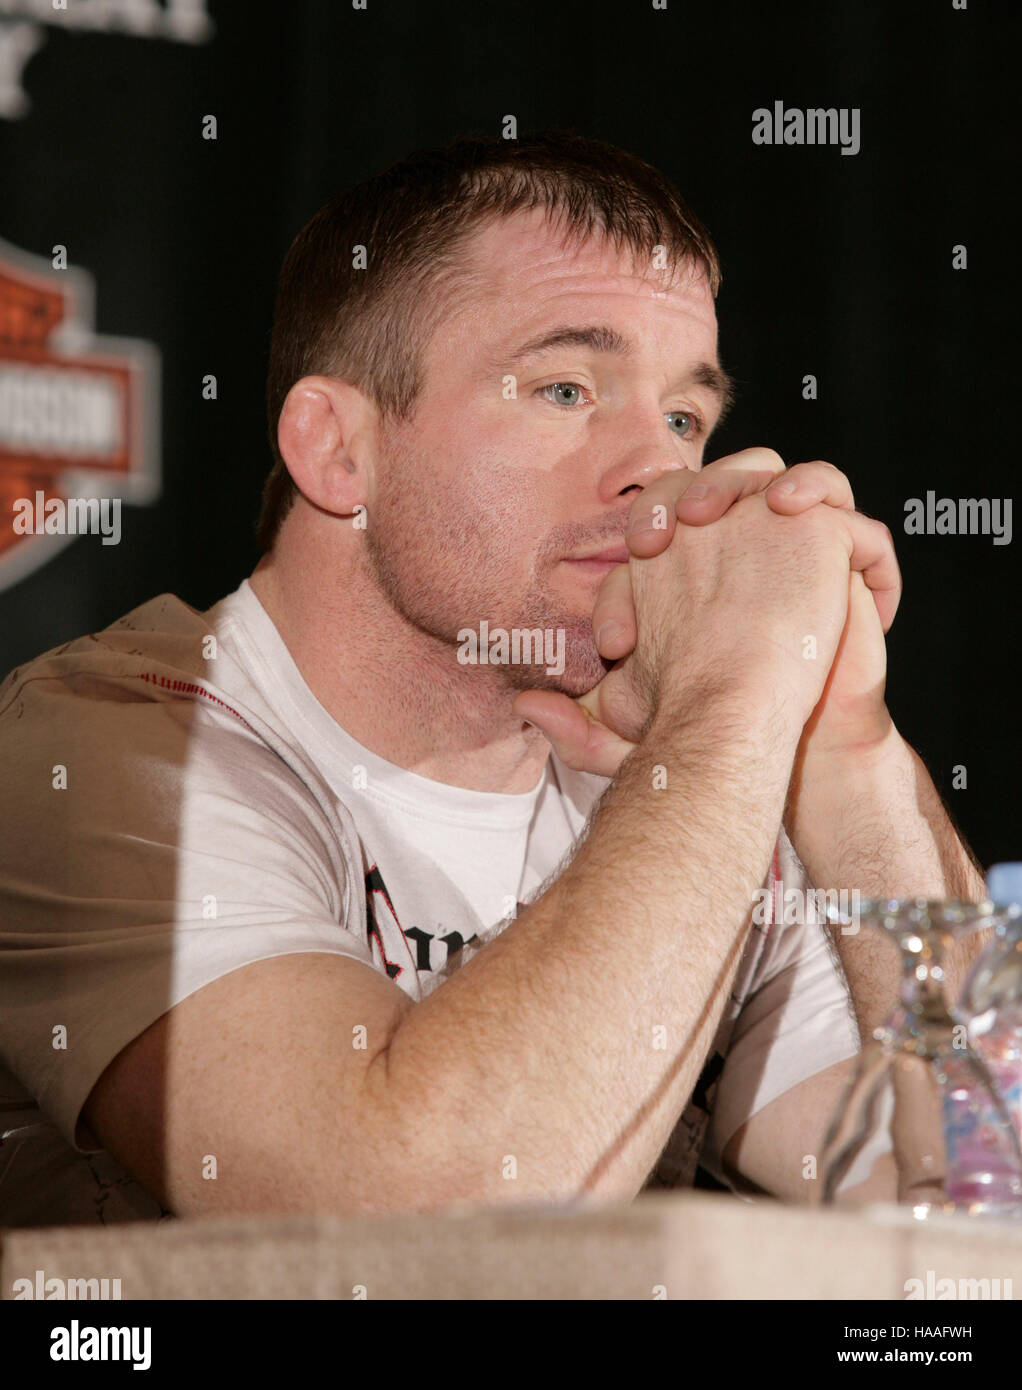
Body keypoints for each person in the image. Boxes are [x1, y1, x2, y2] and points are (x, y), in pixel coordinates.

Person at [0, 131, 983, 1229]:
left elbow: (988, 1185)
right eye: (564, 389)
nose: (656, 471)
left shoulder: (701, 775)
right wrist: (731, 713)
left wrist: (843, 751)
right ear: (338, 453)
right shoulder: (101, 747)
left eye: (682, 417)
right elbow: (403, 1222)